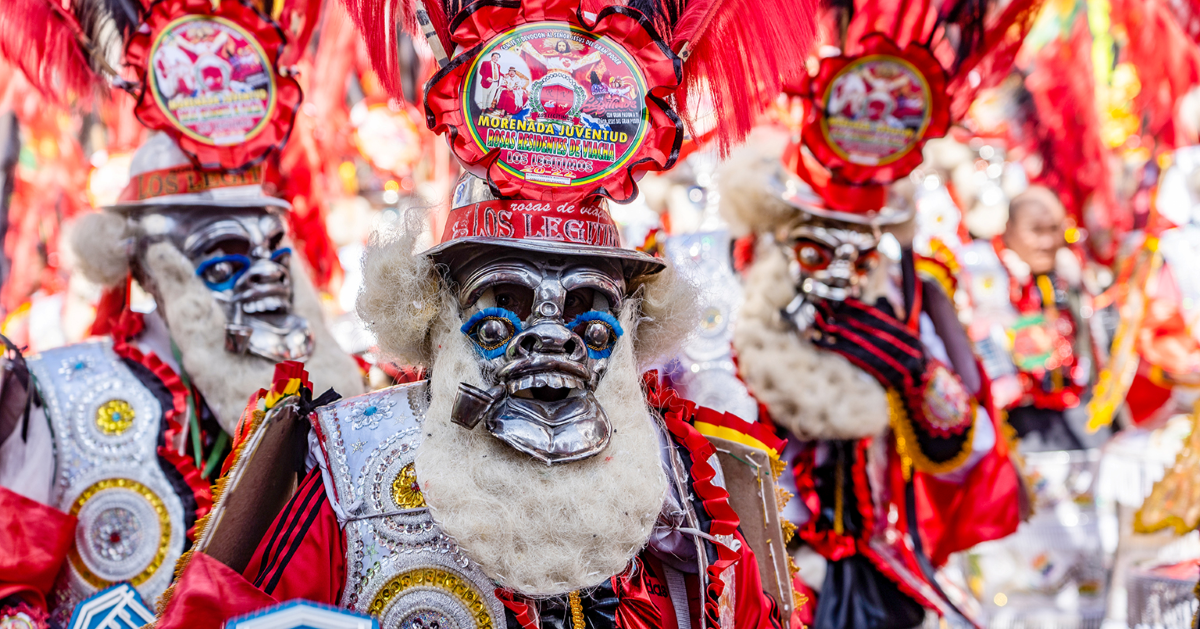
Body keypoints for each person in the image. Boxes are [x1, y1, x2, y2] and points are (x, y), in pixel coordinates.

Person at [0, 132, 365, 627]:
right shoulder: (50, 394)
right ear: (149, 268)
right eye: (225, 261)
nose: (264, 278)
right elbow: (11, 584)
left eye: (274, 255)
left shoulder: (333, 405)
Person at [719, 134, 1022, 629]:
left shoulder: (901, 312)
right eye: (817, 252)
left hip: (883, 574)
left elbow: (970, 453)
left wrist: (908, 367)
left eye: (857, 257)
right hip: (768, 581)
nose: (840, 277)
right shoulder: (734, 323)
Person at [959, 185, 1095, 450]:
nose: (1047, 241)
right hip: (1006, 422)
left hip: (1074, 410)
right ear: (1008, 229)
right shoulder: (976, 267)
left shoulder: (1070, 270)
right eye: (1036, 230)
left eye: (1054, 229)